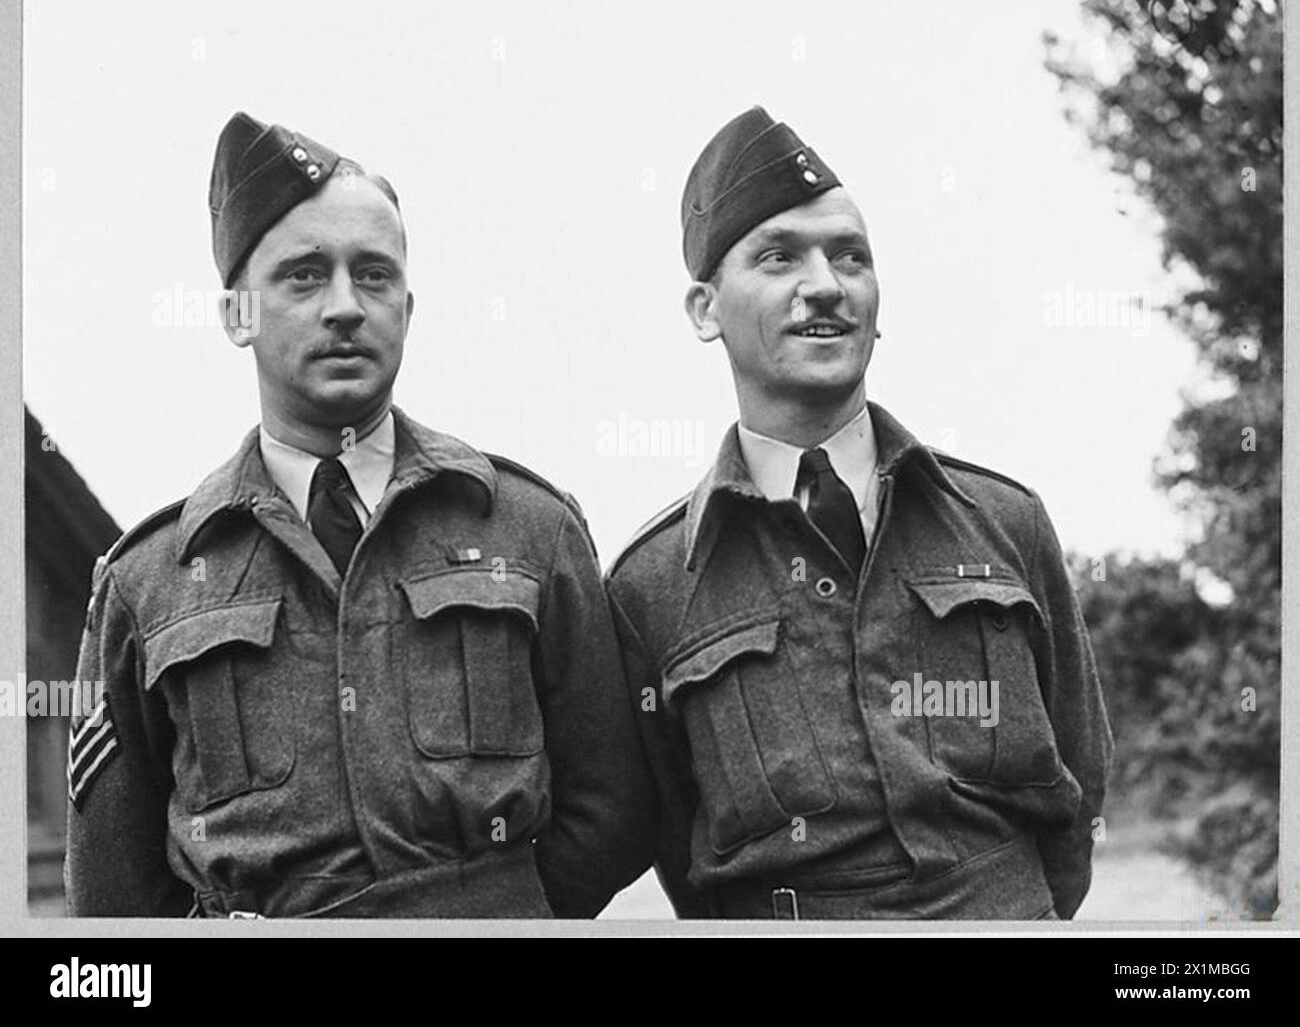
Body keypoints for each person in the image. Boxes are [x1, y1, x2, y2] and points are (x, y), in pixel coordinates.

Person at [66, 111, 653, 918]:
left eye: (373, 275)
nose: (345, 305)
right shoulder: (151, 582)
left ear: (407, 308)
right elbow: (114, 891)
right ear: (237, 314)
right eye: (304, 276)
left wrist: (493, 912)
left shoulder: (526, 528)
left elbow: (614, 803)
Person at [606, 106, 1113, 920]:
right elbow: (671, 834)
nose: (826, 285)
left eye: (851, 256)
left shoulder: (1002, 519)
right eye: (779, 256)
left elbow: (1080, 769)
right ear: (704, 309)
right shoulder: (653, 585)